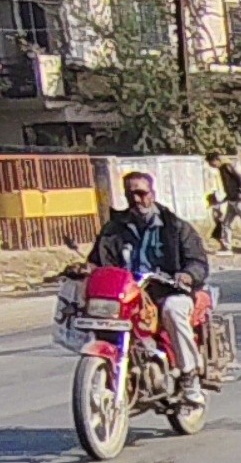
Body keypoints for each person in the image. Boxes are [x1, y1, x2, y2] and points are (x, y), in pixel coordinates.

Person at [89, 170, 211, 411]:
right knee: (99, 316)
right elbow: (97, 260)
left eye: (141, 193)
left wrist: (186, 275)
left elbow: (197, 262)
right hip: (129, 293)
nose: (136, 199)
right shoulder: (114, 229)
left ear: (152, 194)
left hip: (168, 291)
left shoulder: (175, 227)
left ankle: (189, 378)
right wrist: (85, 269)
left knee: (174, 311)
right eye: (130, 194)